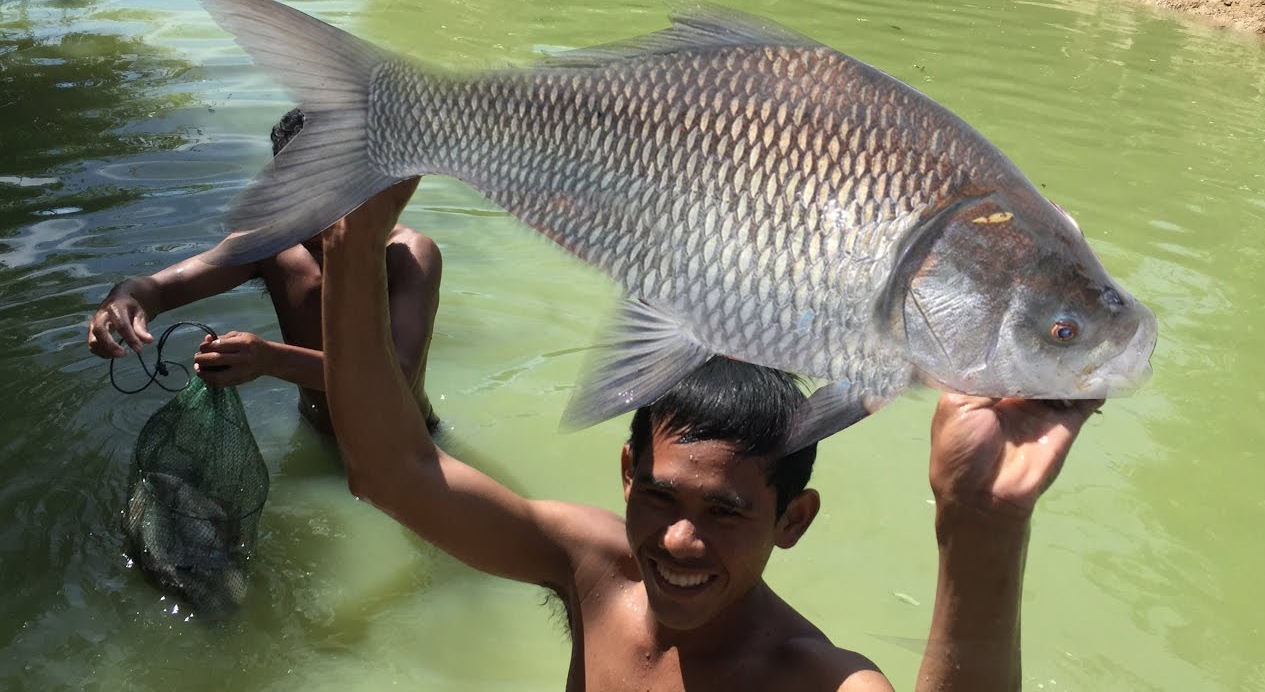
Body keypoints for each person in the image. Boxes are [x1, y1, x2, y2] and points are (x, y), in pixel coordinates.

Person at [320, 187, 1103, 690]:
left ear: (793, 520)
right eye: (661, 496)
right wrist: (352, 249)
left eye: (726, 513)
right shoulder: (595, 573)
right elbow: (394, 471)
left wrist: (982, 524)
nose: (681, 541)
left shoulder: (819, 681)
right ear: (627, 472)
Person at [86, 108, 441, 434]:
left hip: (407, 443)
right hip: (318, 433)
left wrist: (271, 360)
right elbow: (161, 289)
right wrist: (126, 296)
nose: (320, 225)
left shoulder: (408, 254)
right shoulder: (273, 245)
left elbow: (398, 377)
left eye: (338, 203)